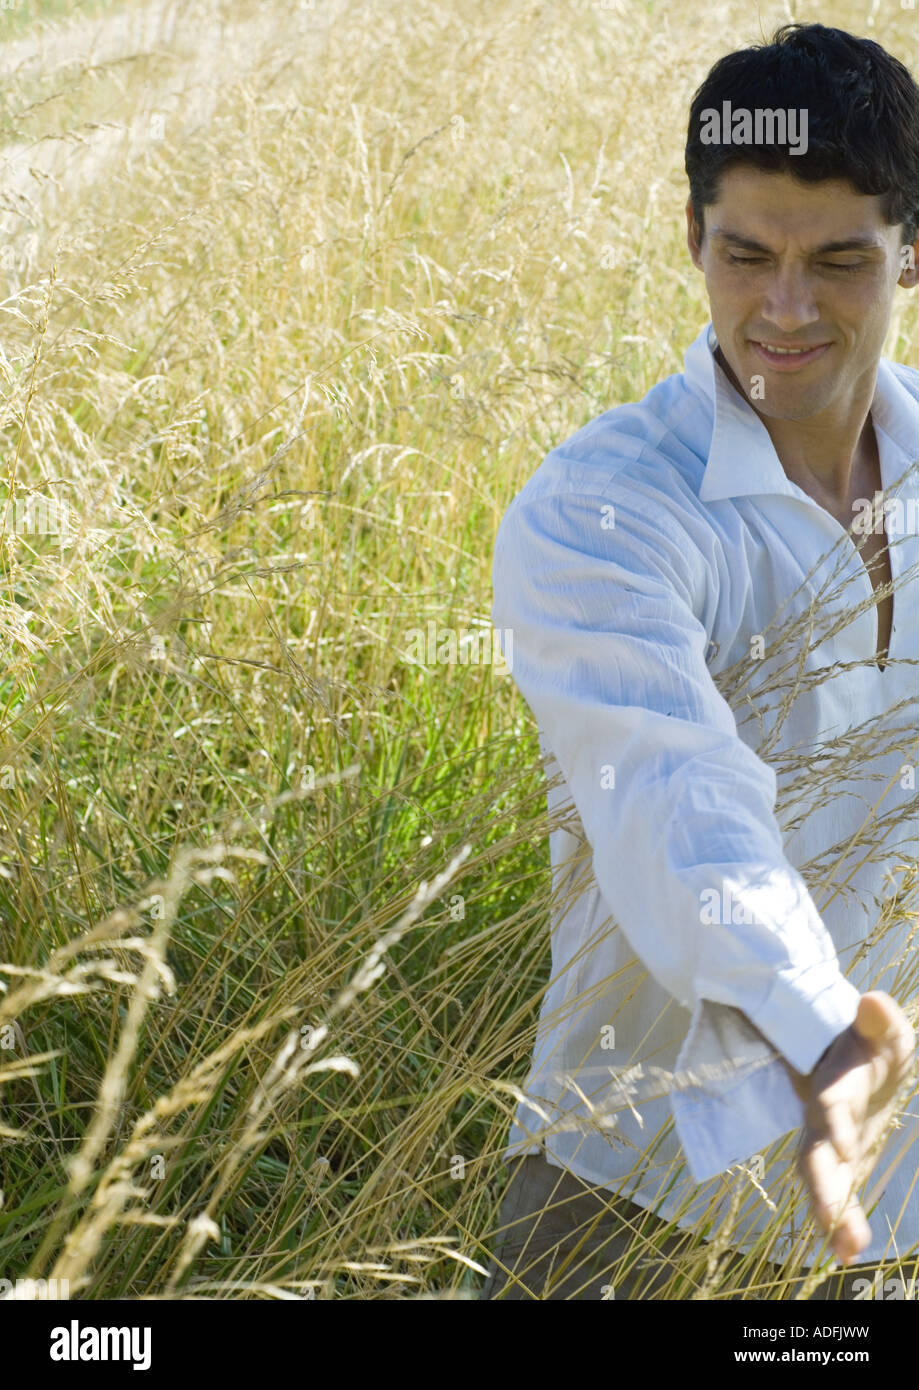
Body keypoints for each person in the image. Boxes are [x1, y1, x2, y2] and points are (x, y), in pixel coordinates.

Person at [484, 21, 919, 1300]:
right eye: (745, 255)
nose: (782, 310)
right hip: (635, 1180)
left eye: (838, 260)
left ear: (912, 251)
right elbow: (674, 796)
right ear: (692, 238)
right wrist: (817, 1027)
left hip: (888, 1200)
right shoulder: (601, 511)